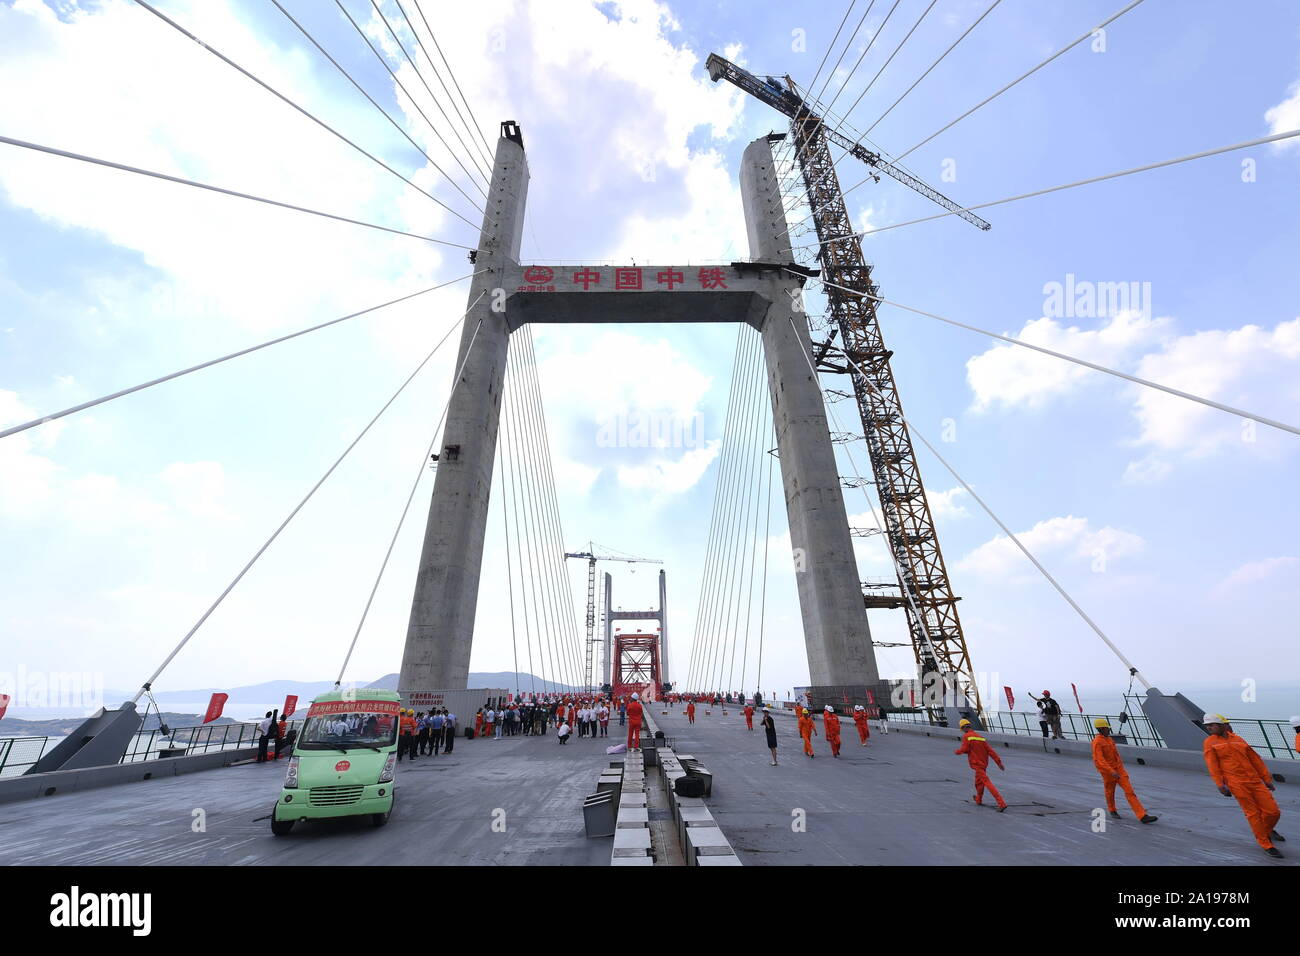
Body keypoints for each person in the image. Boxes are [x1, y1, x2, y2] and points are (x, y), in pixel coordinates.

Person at [1202, 714, 1285, 858]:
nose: (1209, 727)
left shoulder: (1238, 739)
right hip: (1236, 783)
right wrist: (1220, 784)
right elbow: (1212, 765)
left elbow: (1255, 759)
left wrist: (1266, 779)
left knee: (1273, 812)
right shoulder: (1209, 742)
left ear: (1222, 726)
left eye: (1212, 724)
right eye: (1207, 725)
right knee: (1253, 813)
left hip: (1254, 781)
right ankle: (1266, 843)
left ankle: (1265, 831)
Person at [1091, 718, 1157, 823]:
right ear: (1101, 729)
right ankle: (1112, 810)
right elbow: (1099, 760)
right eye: (1107, 728)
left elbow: (1116, 755)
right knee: (1110, 792)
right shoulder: (1097, 742)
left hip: (1119, 770)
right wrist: (1111, 771)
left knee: (1129, 791)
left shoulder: (1109, 739)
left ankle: (1142, 816)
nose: (1109, 729)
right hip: (1109, 773)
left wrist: (1119, 769)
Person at [954, 718, 1007, 811]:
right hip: (983, 764)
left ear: (963, 728)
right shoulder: (980, 737)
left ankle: (1001, 803)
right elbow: (990, 751)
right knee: (979, 782)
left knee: (987, 782)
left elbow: (965, 749)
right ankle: (978, 799)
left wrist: (957, 752)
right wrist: (999, 763)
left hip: (976, 764)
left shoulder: (967, 736)